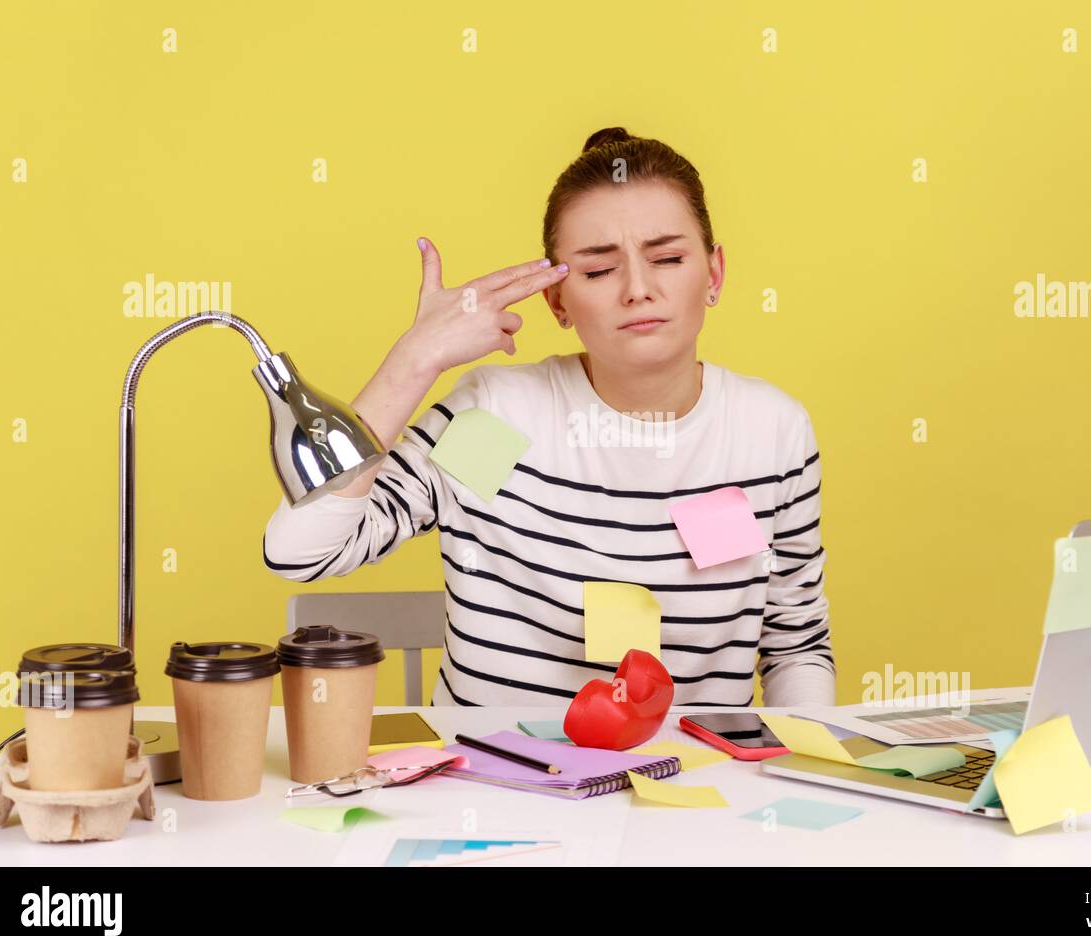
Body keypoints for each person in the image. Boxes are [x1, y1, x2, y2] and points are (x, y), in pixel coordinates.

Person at [263, 126, 834, 707]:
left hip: (696, 783)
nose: (638, 289)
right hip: (496, 785)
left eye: (666, 258)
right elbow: (302, 551)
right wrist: (414, 360)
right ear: (557, 302)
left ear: (713, 275)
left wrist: (804, 763)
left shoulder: (770, 434)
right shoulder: (502, 425)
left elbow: (796, 646)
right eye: (597, 271)